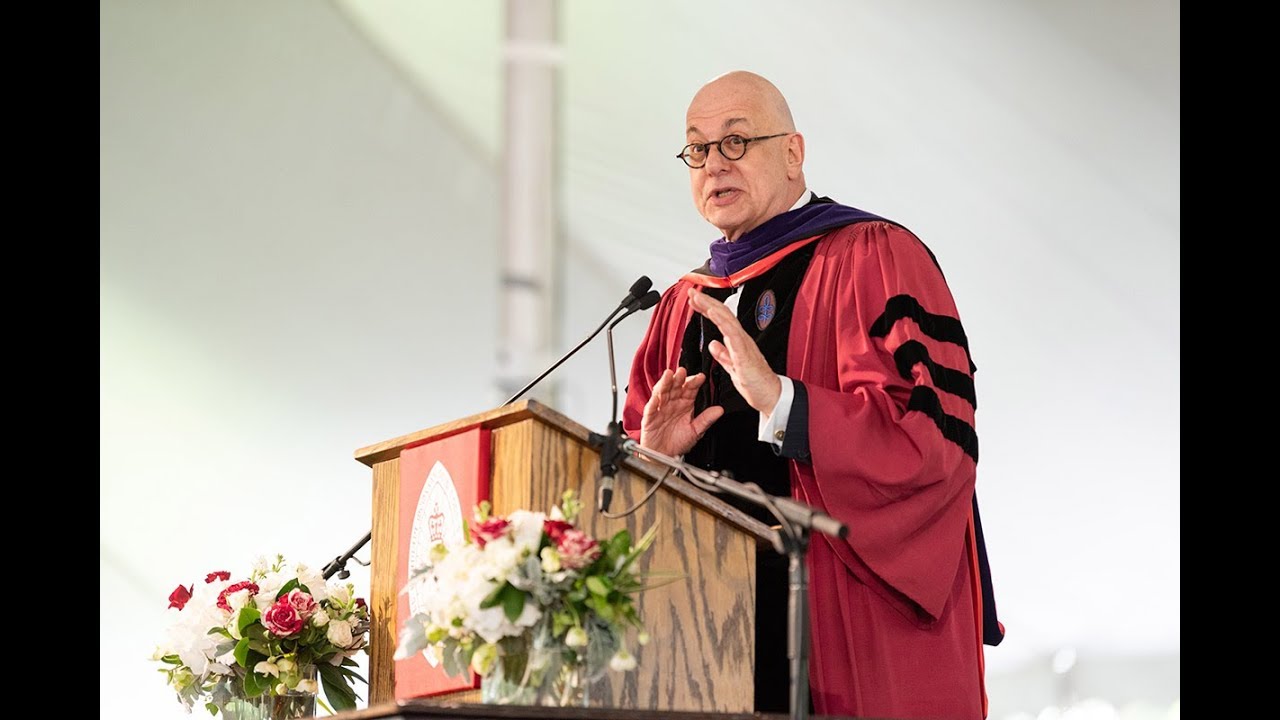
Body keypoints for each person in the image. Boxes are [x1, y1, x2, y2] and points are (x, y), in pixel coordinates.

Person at [621, 70, 1004, 719]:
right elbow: (631, 496)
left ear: (793, 153)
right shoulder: (682, 305)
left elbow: (933, 445)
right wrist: (654, 458)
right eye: (698, 148)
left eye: (736, 141)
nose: (714, 164)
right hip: (709, 646)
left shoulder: (874, 257)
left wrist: (785, 405)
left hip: (844, 629)